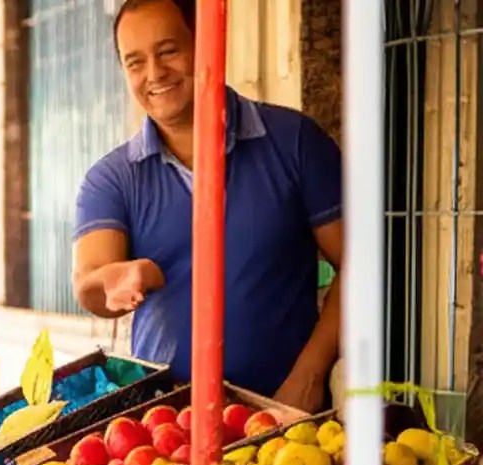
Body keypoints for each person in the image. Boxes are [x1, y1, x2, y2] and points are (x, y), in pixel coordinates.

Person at [71, 0, 343, 411]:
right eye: (135, 62)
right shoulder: (111, 178)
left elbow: (361, 264)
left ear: (206, 45)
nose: (155, 74)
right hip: (163, 429)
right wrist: (114, 278)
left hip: (284, 418)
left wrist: (310, 377)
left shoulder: (295, 142)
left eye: (168, 51)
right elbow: (89, 285)